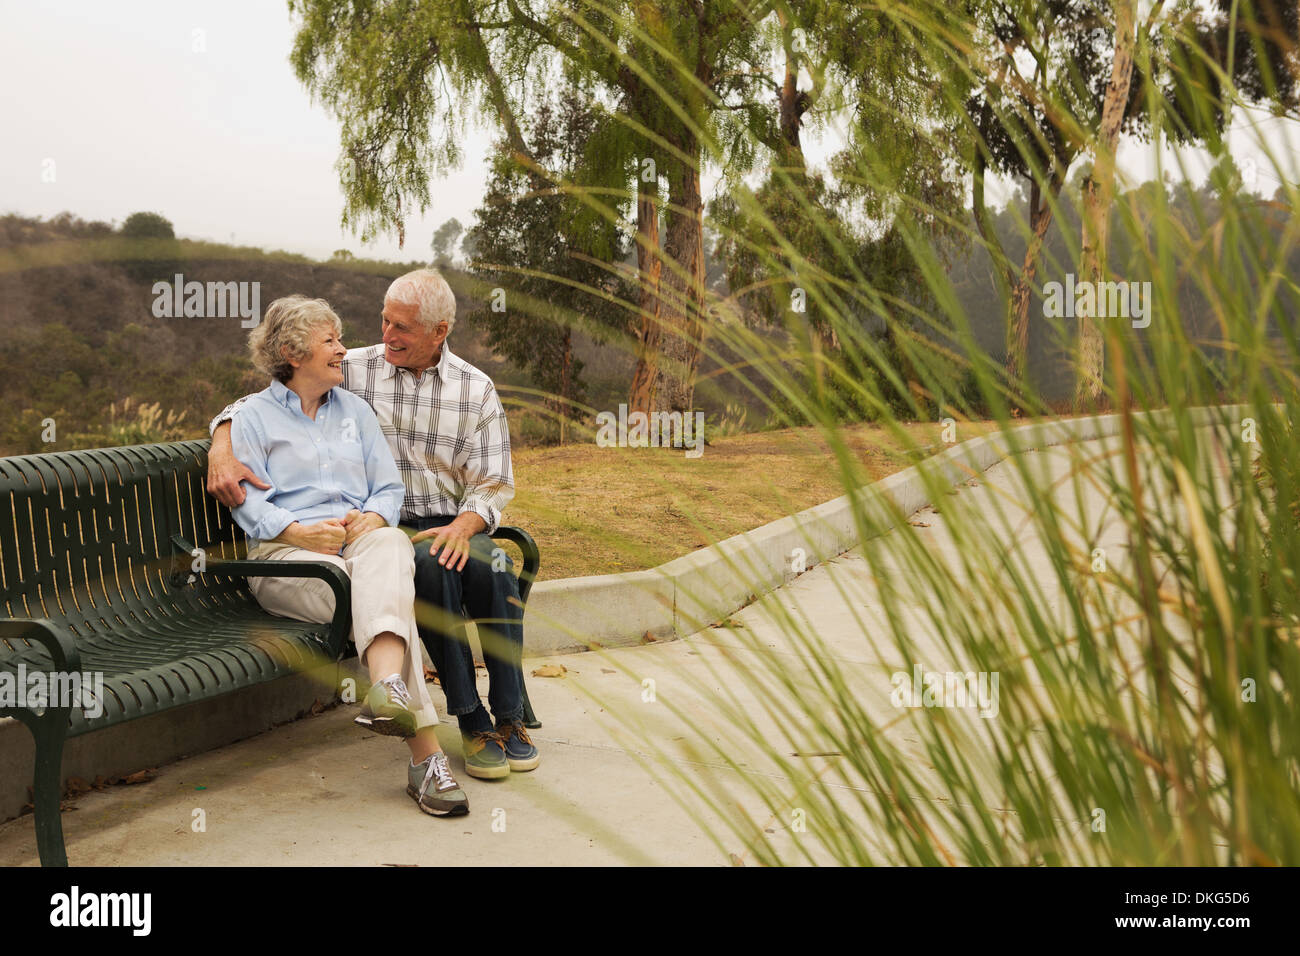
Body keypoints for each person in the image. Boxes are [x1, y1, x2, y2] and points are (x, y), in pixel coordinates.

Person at [207, 270, 539, 782]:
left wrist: (460, 525)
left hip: (435, 526)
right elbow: (263, 397)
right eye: (384, 320)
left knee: (495, 565)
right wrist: (221, 445)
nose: (385, 335)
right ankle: (467, 723)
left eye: (401, 327)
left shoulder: (473, 389)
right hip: (380, 536)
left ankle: (511, 715)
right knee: (422, 574)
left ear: (439, 330)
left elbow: (493, 483)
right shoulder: (353, 370)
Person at [226, 294, 467, 816]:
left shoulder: (354, 411)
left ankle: (385, 690)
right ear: (293, 352)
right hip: (284, 561)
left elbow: (387, 489)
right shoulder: (251, 418)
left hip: (357, 549)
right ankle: (425, 758)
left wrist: (374, 518)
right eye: (330, 341)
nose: (343, 349)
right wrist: (296, 532)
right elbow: (247, 504)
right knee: (389, 597)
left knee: (392, 541)